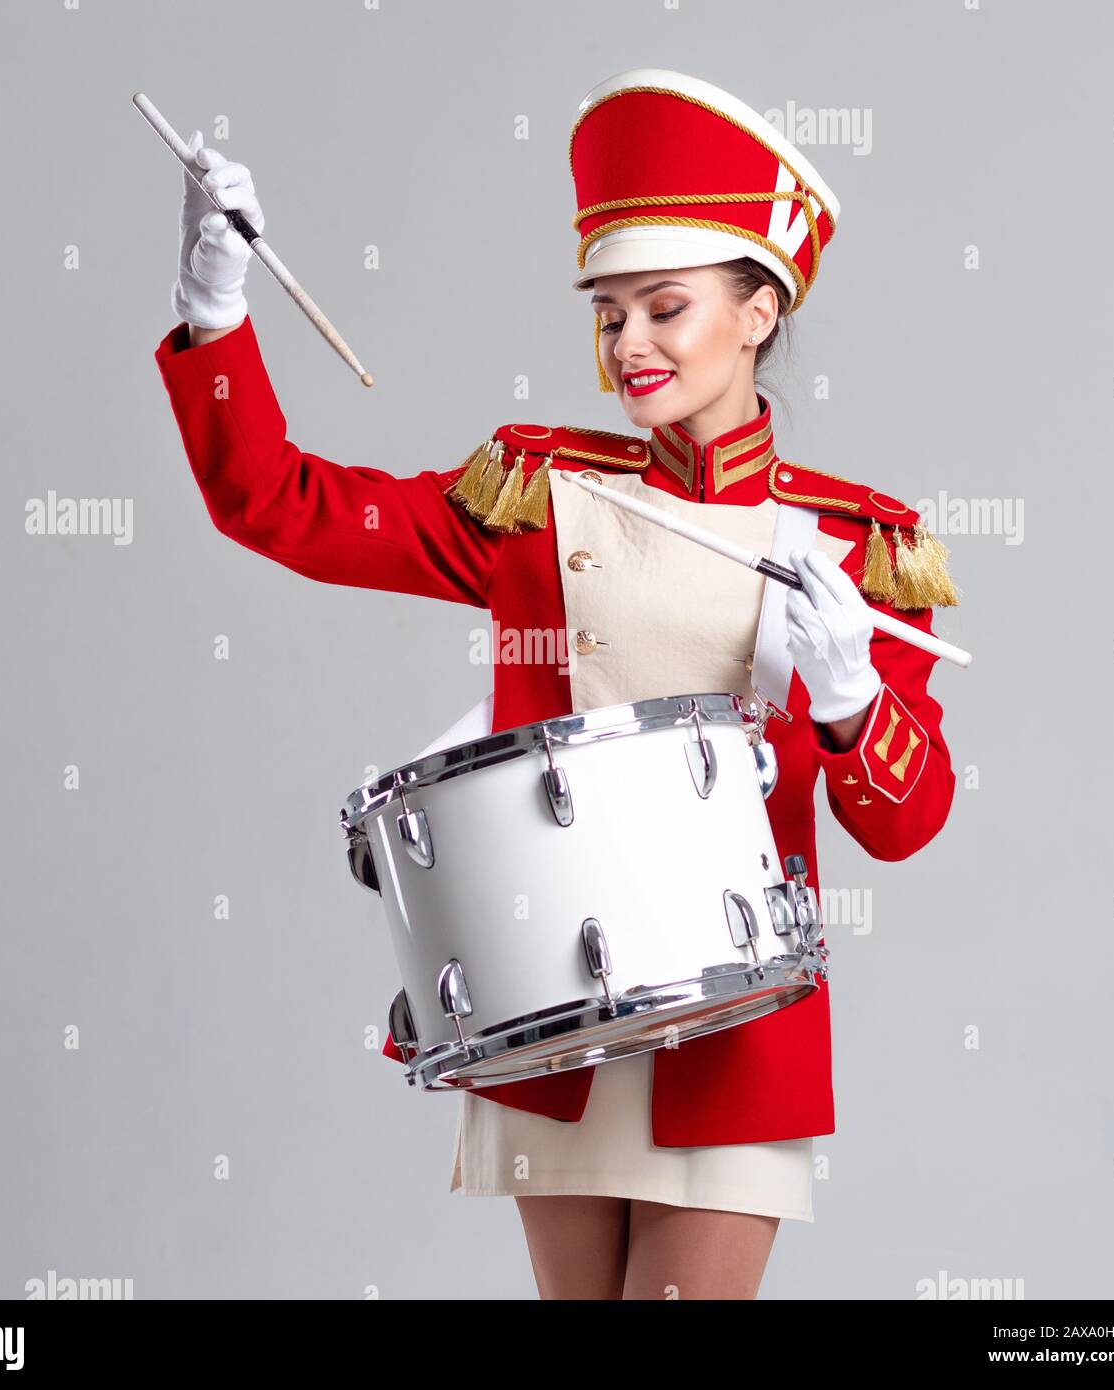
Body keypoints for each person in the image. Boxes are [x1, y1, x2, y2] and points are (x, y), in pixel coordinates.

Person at [154, 68, 959, 1301]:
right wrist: (217, 319)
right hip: (552, 1015)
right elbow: (283, 506)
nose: (628, 344)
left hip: (741, 1032)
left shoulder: (855, 545)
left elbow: (906, 821)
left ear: (756, 311)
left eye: (666, 308)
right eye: (610, 311)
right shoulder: (537, 495)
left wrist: (850, 698)